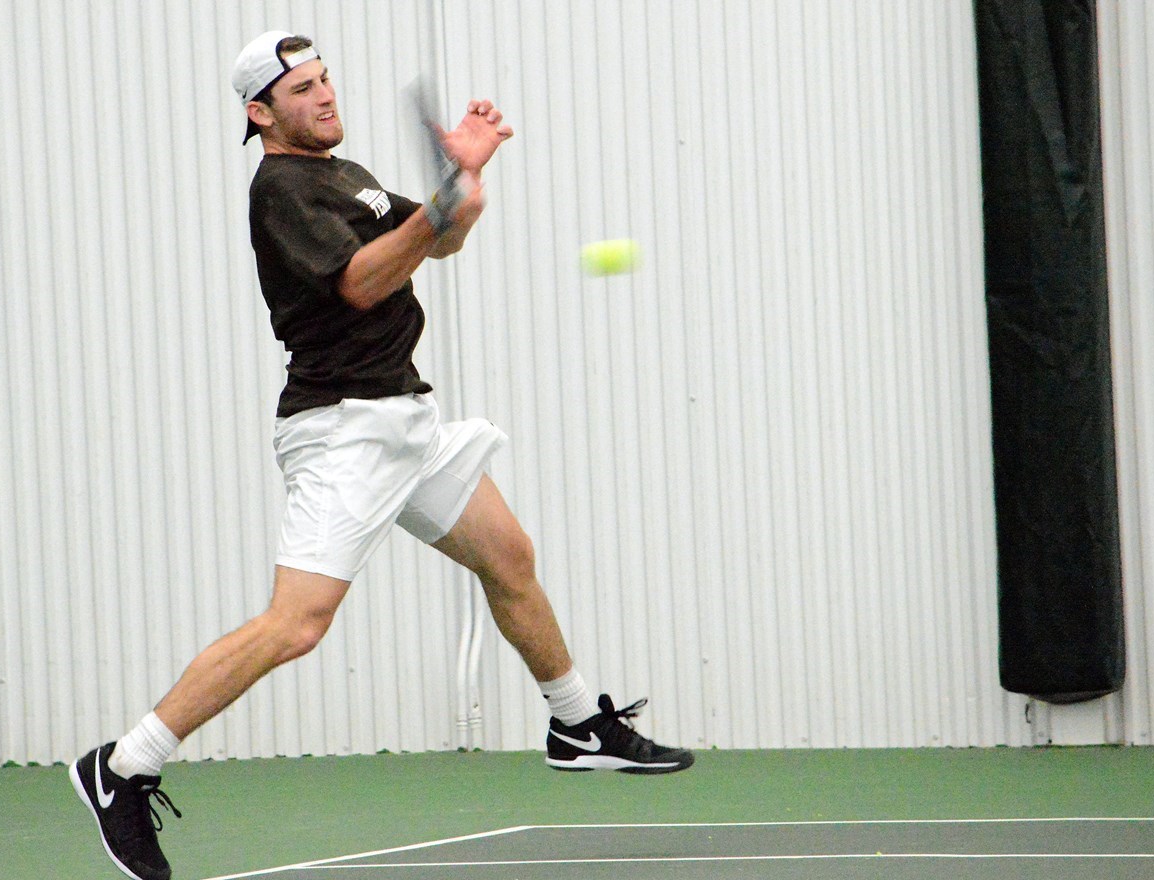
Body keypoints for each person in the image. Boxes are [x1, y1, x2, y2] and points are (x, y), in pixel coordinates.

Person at [69, 30, 694, 880]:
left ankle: (575, 722)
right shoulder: (282, 188)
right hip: (342, 428)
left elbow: (442, 238)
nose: (325, 96)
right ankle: (122, 766)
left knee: (509, 556)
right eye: (301, 91)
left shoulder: (345, 177)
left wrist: (465, 178)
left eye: (326, 80)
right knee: (297, 624)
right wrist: (439, 209)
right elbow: (364, 280)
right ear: (262, 113)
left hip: (405, 417)